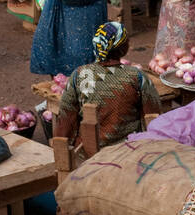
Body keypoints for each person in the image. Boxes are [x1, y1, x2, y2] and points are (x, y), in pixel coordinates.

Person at [54, 20, 162, 148]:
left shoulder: (79, 75)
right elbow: (153, 116)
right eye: (126, 41)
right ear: (123, 48)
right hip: (129, 150)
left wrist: (62, 149)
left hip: (89, 152)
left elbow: (66, 118)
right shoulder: (137, 77)